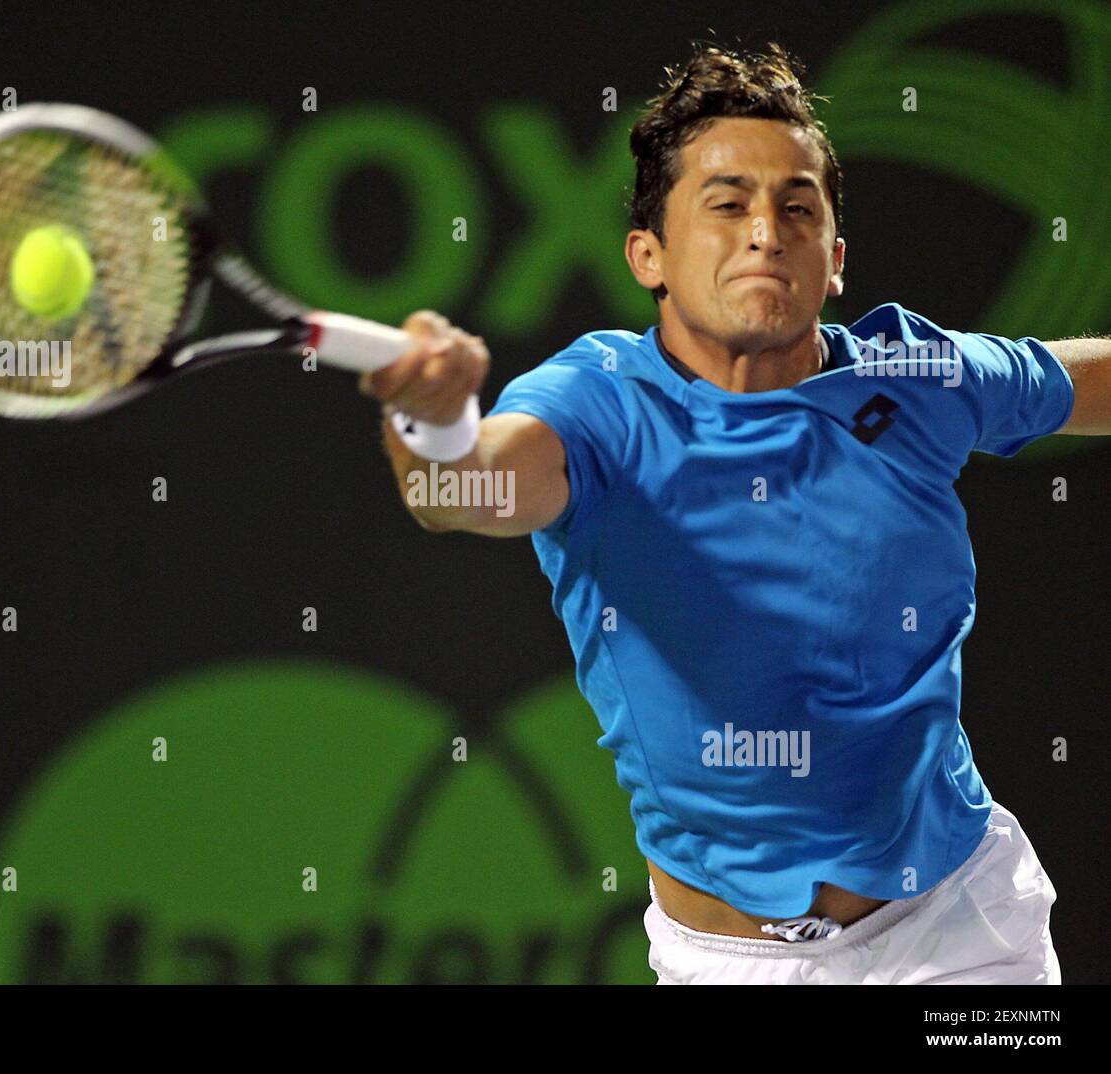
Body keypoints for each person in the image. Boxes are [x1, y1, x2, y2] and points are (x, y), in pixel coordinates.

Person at [360, 42, 1109, 984]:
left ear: (834, 260)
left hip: (959, 934)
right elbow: (463, 494)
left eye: (797, 207)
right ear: (650, 256)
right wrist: (429, 424)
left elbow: (1091, 380)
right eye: (727, 204)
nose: (766, 231)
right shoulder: (596, 404)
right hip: (729, 964)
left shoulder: (912, 374)